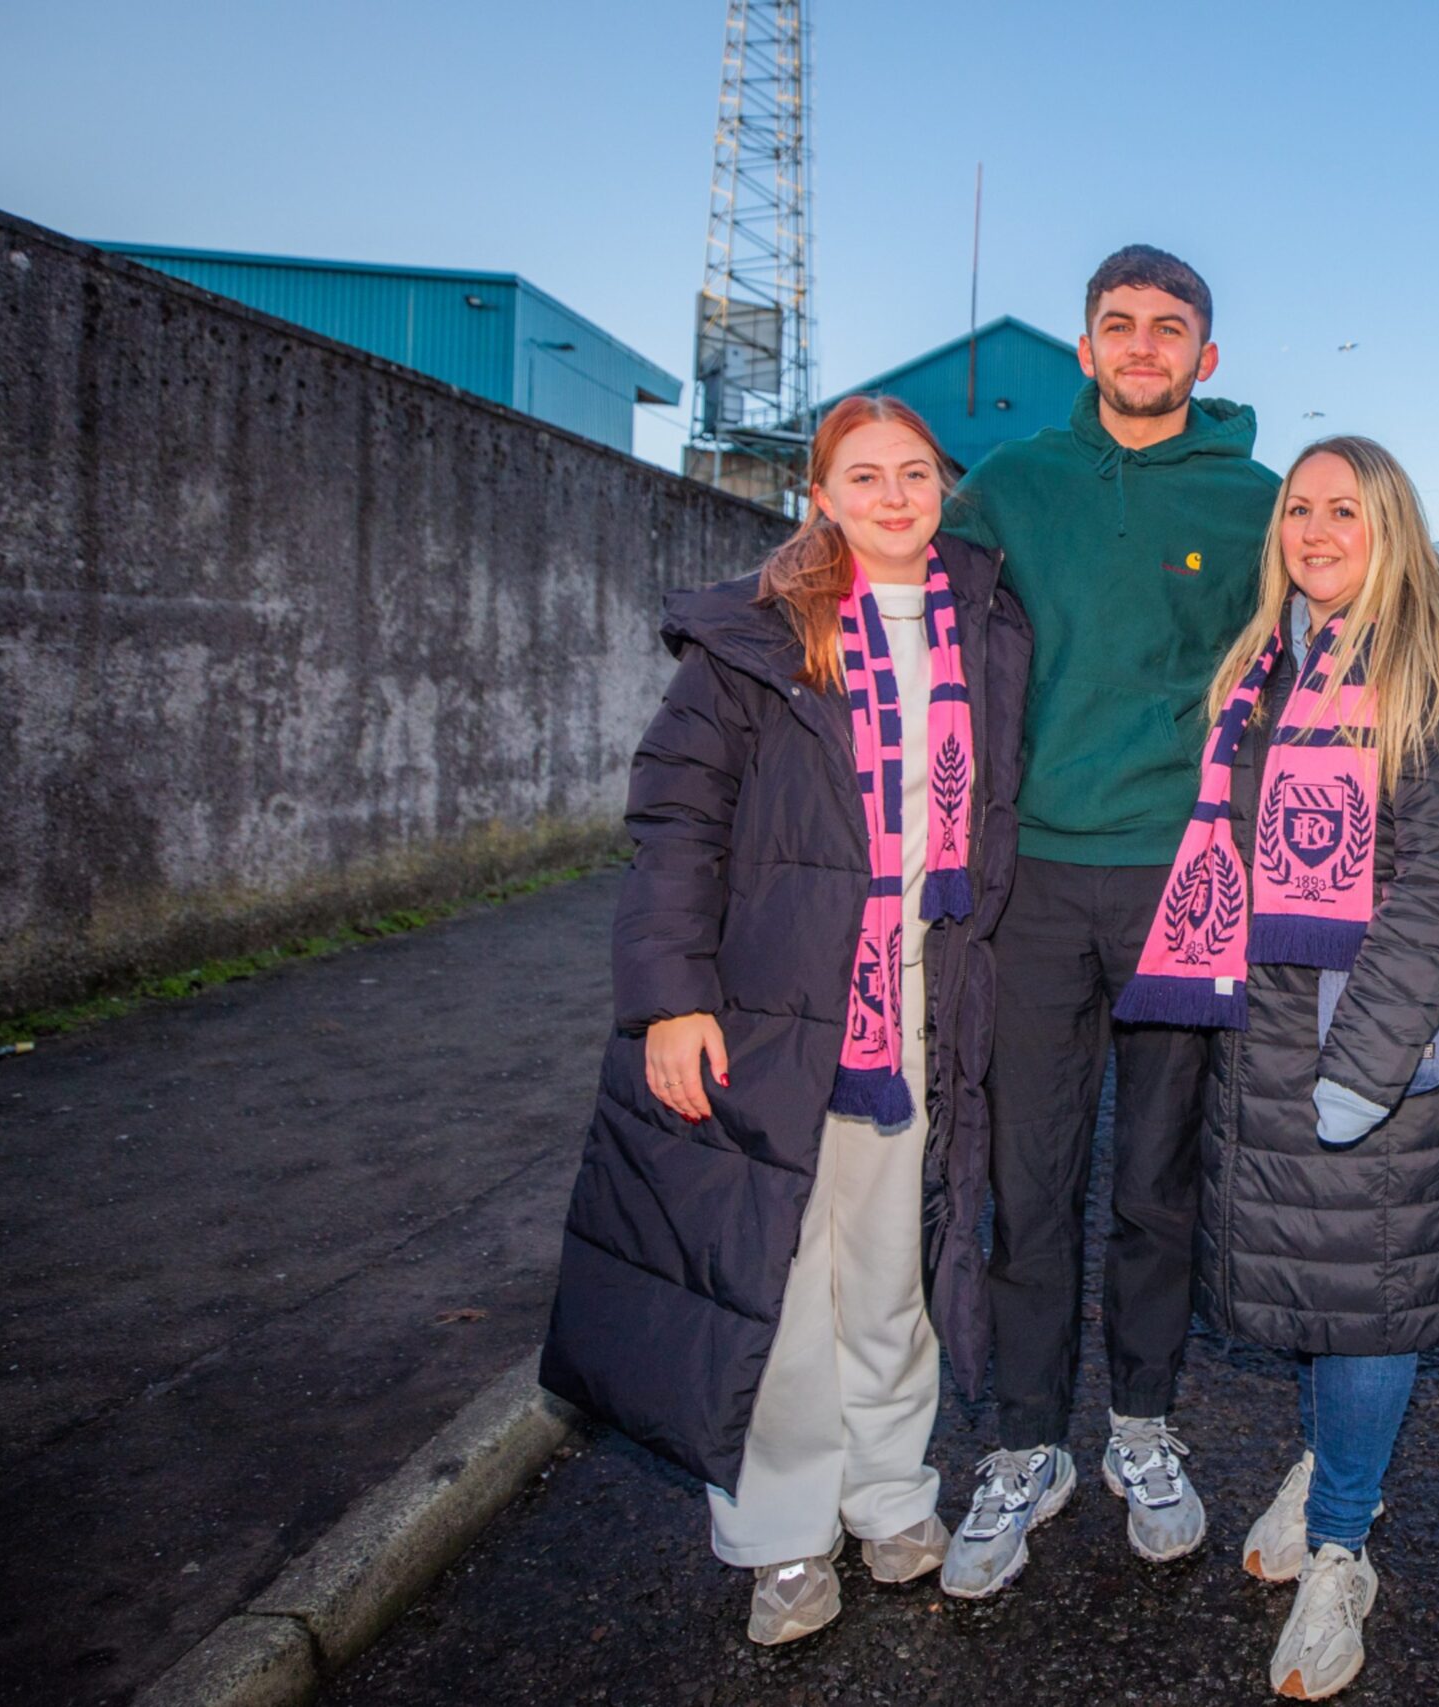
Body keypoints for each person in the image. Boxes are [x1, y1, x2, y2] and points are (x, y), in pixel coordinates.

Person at [538, 396, 1030, 1646]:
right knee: (778, 1265)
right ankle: (782, 1535)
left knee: (890, 1263)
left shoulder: (989, 622)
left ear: (943, 488)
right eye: (863, 477)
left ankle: (889, 1492)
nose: (894, 497)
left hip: (925, 992)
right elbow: (674, 826)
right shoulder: (751, 639)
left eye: (916, 474)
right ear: (820, 496)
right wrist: (668, 1001)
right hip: (768, 1001)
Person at [1116, 437, 1439, 1698]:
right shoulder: (1262, 665)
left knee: (1369, 1291)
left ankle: (1344, 1541)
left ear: (1389, 525)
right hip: (1264, 1028)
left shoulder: (1434, 671)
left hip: (1372, 1038)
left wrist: (1370, 1054)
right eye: (1299, 508)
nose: (1318, 530)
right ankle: (1330, 1463)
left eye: (1346, 509)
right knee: (1307, 1280)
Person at [934, 246, 1280, 1597]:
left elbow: (1348, 627)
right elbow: (907, 606)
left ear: (1206, 357)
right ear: (1084, 349)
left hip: (1180, 878)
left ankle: (1141, 1423)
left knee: (1155, 1178)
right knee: (1028, 1178)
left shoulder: (1257, 500)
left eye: (1170, 328)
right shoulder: (1009, 486)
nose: (1143, 346)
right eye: (1118, 325)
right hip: (1030, 881)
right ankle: (1028, 1443)